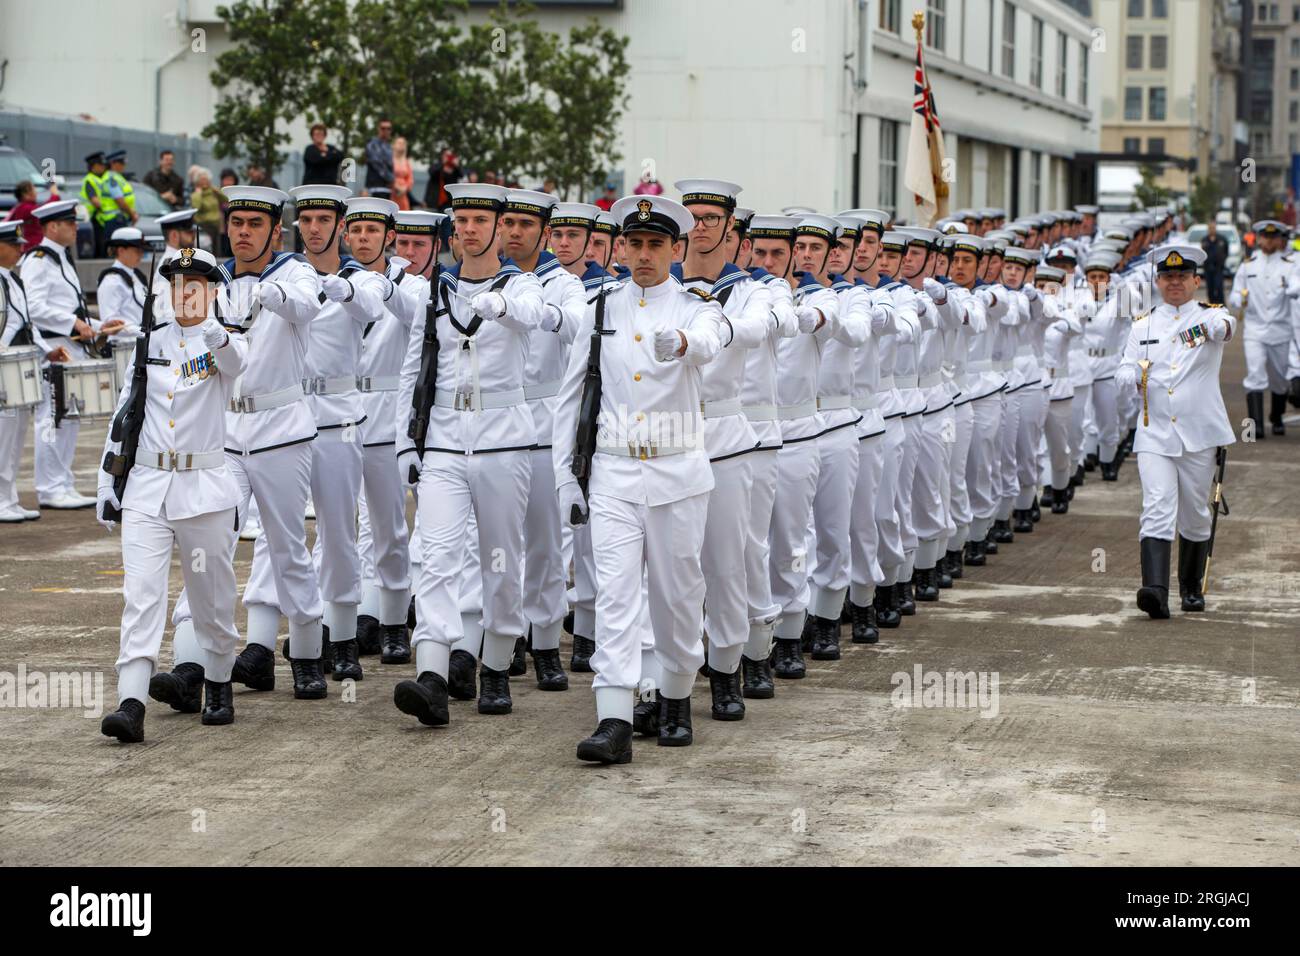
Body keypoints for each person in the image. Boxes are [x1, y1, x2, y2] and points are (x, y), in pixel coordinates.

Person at [552, 194, 725, 764]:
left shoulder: (695, 305)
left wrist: (684, 344)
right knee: (616, 595)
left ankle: (675, 695)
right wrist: (564, 477)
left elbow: (712, 339)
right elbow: (571, 396)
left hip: (677, 474)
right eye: (636, 244)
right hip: (614, 473)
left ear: (677, 250)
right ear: (622, 248)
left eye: (656, 245)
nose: (645, 255)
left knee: (677, 598)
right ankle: (613, 718)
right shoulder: (600, 308)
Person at [151, 186, 328, 711]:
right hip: (224, 434)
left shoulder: (294, 272)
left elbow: (309, 307)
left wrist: (273, 296)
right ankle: (191, 663)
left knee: (287, 545)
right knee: (209, 548)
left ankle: (307, 657)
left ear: (277, 229)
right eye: (236, 222)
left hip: (281, 429)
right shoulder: (211, 279)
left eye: (255, 223)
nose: (243, 231)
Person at [392, 182, 545, 727]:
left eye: (481, 220)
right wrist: (406, 441)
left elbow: (533, 316)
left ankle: (498, 663)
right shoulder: (435, 291)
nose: (470, 229)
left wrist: (500, 304)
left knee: (501, 560)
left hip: (504, 440)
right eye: (462, 220)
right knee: (435, 556)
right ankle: (431, 673)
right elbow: (415, 369)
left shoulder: (525, 286)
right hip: (444, 442)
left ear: (500, 228)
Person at [239, 187, 392, 684]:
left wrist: (342, 286)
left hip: (339, 421)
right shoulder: (282, 276)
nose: (314, 227)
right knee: (273, 534)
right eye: (306, 219)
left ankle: (341, 638)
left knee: (338, 532)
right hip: (286, 419)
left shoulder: (356, 278)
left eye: (325, 218)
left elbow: (372, 305)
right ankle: (260, 644)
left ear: (341, 225)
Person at [97, 247, 247, 742]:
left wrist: (212, 328)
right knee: (140, 597)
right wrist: (107, 482)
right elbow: (128, 412)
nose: (185, 295)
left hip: (203, 490)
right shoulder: (148, 343)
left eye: (196, 287)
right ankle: (131, 702)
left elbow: (234, 363)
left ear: (212, 291)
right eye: (178, 286)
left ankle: (220, 680)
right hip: (146, 487)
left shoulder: (225, 341)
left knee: (211, 599)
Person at [673, 178, 772, 721]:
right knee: (670, 567)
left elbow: (763, 325)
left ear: (731, 228)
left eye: (712, 218)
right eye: (694, 217)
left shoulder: (752, 290)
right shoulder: (659, 286)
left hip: (726, 438)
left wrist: (716, 328)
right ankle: (671, 678)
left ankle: (728, 668)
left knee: (726, 564)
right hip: (668, 437)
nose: (701, 226)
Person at [1115, 245, 1234, 619]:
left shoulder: (1210, 317)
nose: (1175, 283)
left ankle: (1190, 587)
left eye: (1182, 276)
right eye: (1168, 277)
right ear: (1158, 282)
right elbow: (1122, 371)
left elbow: (1226, 328)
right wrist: (1132, 375)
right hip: (1155, 433)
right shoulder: (1142, 325)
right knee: (1156, 506)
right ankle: (1155, 590)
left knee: (1196, 514)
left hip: (1198, 433)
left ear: (1196, 281)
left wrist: (1219, 325)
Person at [19, 200, 126, 509]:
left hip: (73, 346)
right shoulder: (38, 259)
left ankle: (62, 482)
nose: (77, 227)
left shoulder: (61, 258)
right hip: (54, 348)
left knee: (69, 419)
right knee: (52, 420)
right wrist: (74, 323)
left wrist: (98, 325)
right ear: (53, 227)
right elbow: (33, 307)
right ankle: (49, 488)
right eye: (71, 223)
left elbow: (71, 309)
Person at [0, 219, 71, 522]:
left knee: (15, 436)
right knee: (3, 436)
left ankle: (9, 497)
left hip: (20, 365)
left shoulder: (13, 280)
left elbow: (27, 324)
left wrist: (46, 350)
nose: (20, 249)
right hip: (5, 366)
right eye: (13, 244)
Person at [1229, 221, 1293, 437]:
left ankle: (1276, 416)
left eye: (1273, 237)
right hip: (1254, 329)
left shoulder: (1290, 265)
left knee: (1280, 378)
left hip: (1280, 330)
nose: (1268, 241)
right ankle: (1255, 425)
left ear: (1279, 240)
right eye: (1264, 237)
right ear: (1258, 239)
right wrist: (1240, 299)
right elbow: (1235, 293)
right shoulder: (1248, 265)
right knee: (1255, 374)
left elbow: (1295, 288)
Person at [79, 151, 119, 257]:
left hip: (100, 219)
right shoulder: (89, 180)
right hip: (93, 219)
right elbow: (95, 201)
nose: (104, 167)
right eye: (101, 165)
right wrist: (106, 207)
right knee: (100, 249)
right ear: (94, 166)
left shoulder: (99, 179)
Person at [189, 168, 225, 250]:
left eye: (206, 179)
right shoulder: (195, 194)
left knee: (217, 250)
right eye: (202, 180)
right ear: (197, 182)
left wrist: (218, 191)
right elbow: (196, 207)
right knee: (205, 249)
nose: (204, 182)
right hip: (203, 226)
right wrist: (199, 194)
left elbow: (226, 199)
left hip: (216, 226)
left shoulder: (213, 192)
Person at [6, 181, 45, 251]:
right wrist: (54, 196)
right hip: (32, 246)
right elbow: (45, 209)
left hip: (29, 245)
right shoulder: (27, 208)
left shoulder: (19, 207)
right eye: (33, 189)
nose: (36, 192)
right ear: (26, 194)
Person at [103, 151, 139, 226]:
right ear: (112, 163)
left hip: (119, 219)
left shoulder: (117, 176)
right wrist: (132, 215)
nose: (124, 165)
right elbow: (120, 201)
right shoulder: (111, 178)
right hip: (114, 220)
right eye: (121, 163)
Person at [1199, 221, 1228, 305]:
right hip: (1208, 268)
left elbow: (1226, 251)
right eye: (1210, 228)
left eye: (1213, 228)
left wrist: (1222, 261)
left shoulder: (1222, 239)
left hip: (1218, 268)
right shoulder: (1204, 240)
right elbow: (1202, 253)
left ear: (1216, 228)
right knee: (1210, 288)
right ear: (1208, 229)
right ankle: (1212, 306)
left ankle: (1222, 306)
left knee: (1219, 288)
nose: (1212, 230)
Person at [365, 118, 395, 196]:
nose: (386, 131)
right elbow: (378, 165)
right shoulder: (372, 144)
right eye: (383, 128)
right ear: (378, 129)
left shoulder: (389, 146)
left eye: (388, 128)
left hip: (387, 189)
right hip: (375, 188)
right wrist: (392, 179)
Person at [392, 136, 414, 211]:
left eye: (403, 143)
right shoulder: (389, 160)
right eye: (399, 143)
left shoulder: (406, 161)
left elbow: (410, 178)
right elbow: (386, 175)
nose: (401, 145)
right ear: (394, 145)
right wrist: (395, 186)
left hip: (403, 195)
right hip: (391, 193)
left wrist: (405, 188)